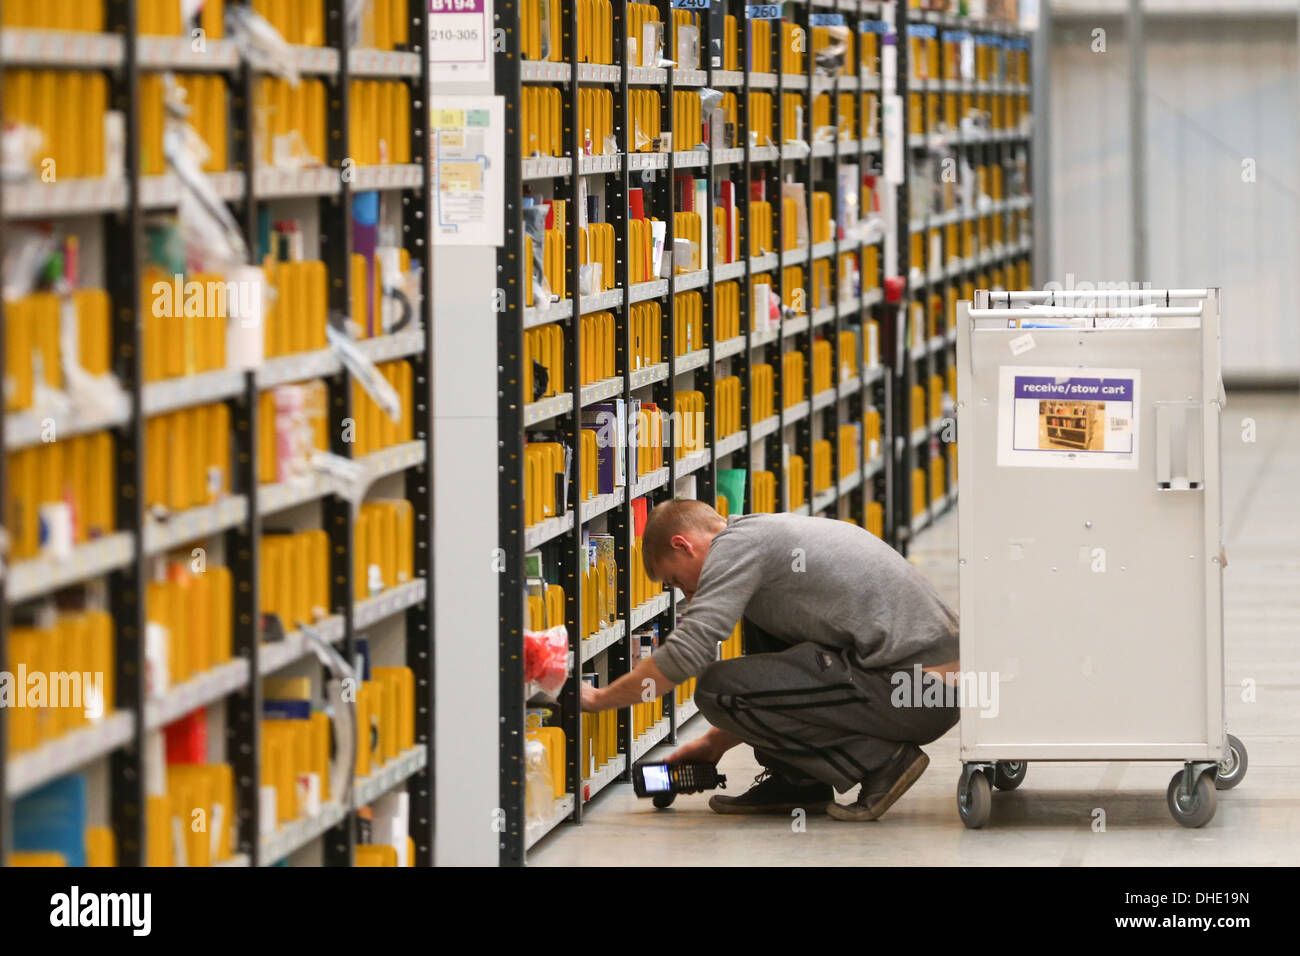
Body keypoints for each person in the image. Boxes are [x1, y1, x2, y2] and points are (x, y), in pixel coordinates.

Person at [579, 499, 961, 821]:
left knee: (716, 687)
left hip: (917, 690)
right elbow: (781, 688)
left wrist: (598, 700)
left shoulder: (737, 547)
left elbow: (688, 652)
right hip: (919, 689)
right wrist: (714, 746)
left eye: (678, 581)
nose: (687, 595)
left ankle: (884, 762)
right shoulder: (760, 541)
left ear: (683, 545)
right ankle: (798, 782)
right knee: (762, 646)